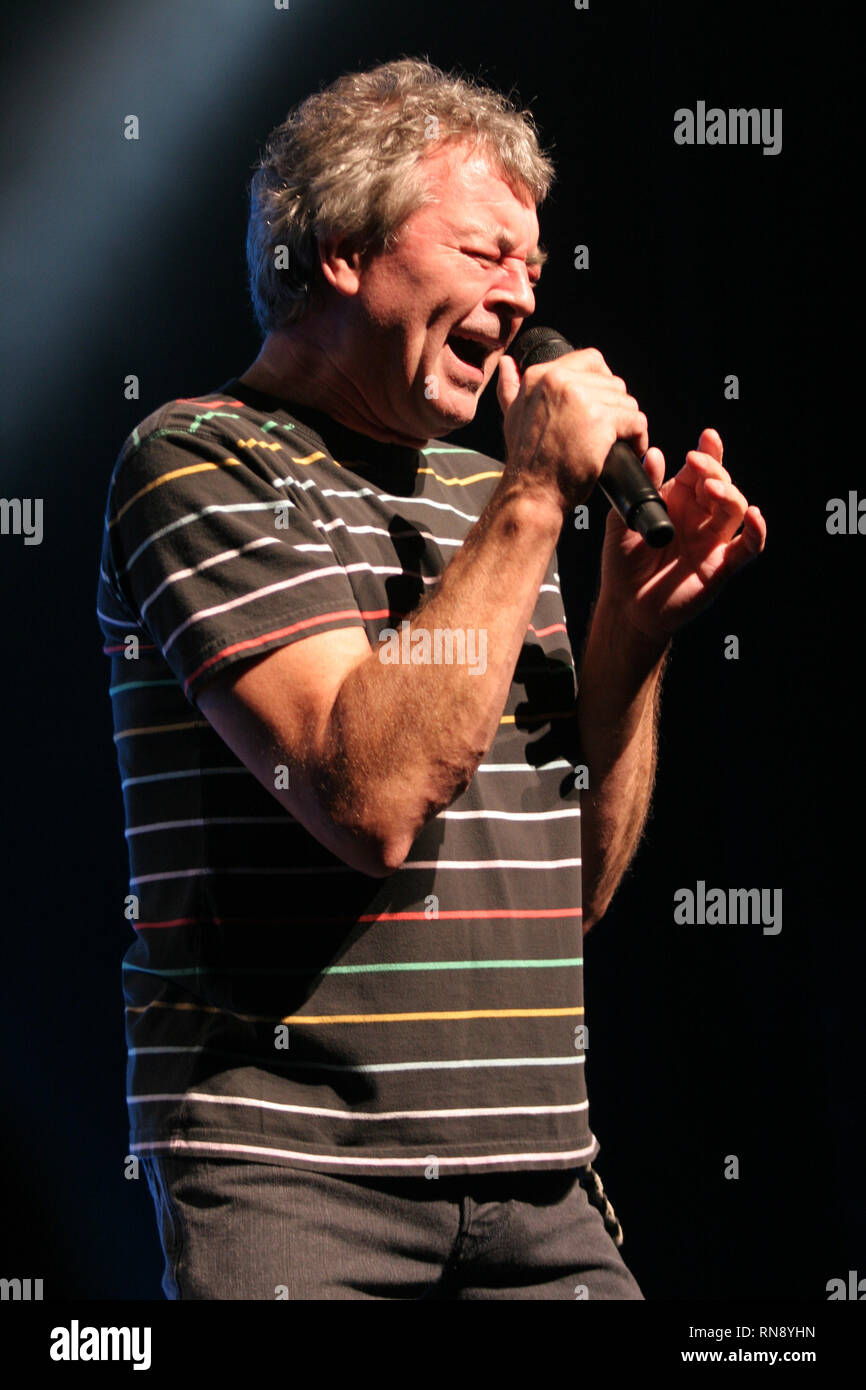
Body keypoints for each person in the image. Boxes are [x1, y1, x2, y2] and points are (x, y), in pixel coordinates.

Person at [96, 58, 766, 1300]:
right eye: (484, 254)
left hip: (541, 1180)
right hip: (296, 1185)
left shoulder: (485, 498)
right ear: (341, 249)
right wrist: (527, 498)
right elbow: (369, 798)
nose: (521, 301)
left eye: (534, 269)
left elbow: (570, 897)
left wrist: (627, 631)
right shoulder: (198, 463)